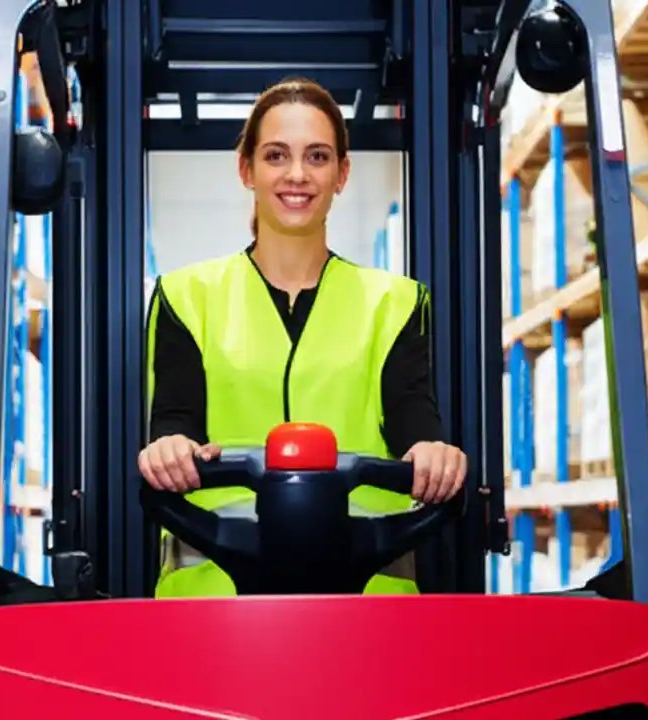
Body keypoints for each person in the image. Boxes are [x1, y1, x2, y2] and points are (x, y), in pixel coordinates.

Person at [139, 77, 467, 598]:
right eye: (276, 156)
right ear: (246, 169)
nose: (297, 174)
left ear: (342, 173)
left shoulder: (394, 302)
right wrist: (169, 451)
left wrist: (435, 454)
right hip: (216, 605)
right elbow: (175, 420)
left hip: (363, 604)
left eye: (317, 156)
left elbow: (413, 417)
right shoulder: (186, 296)